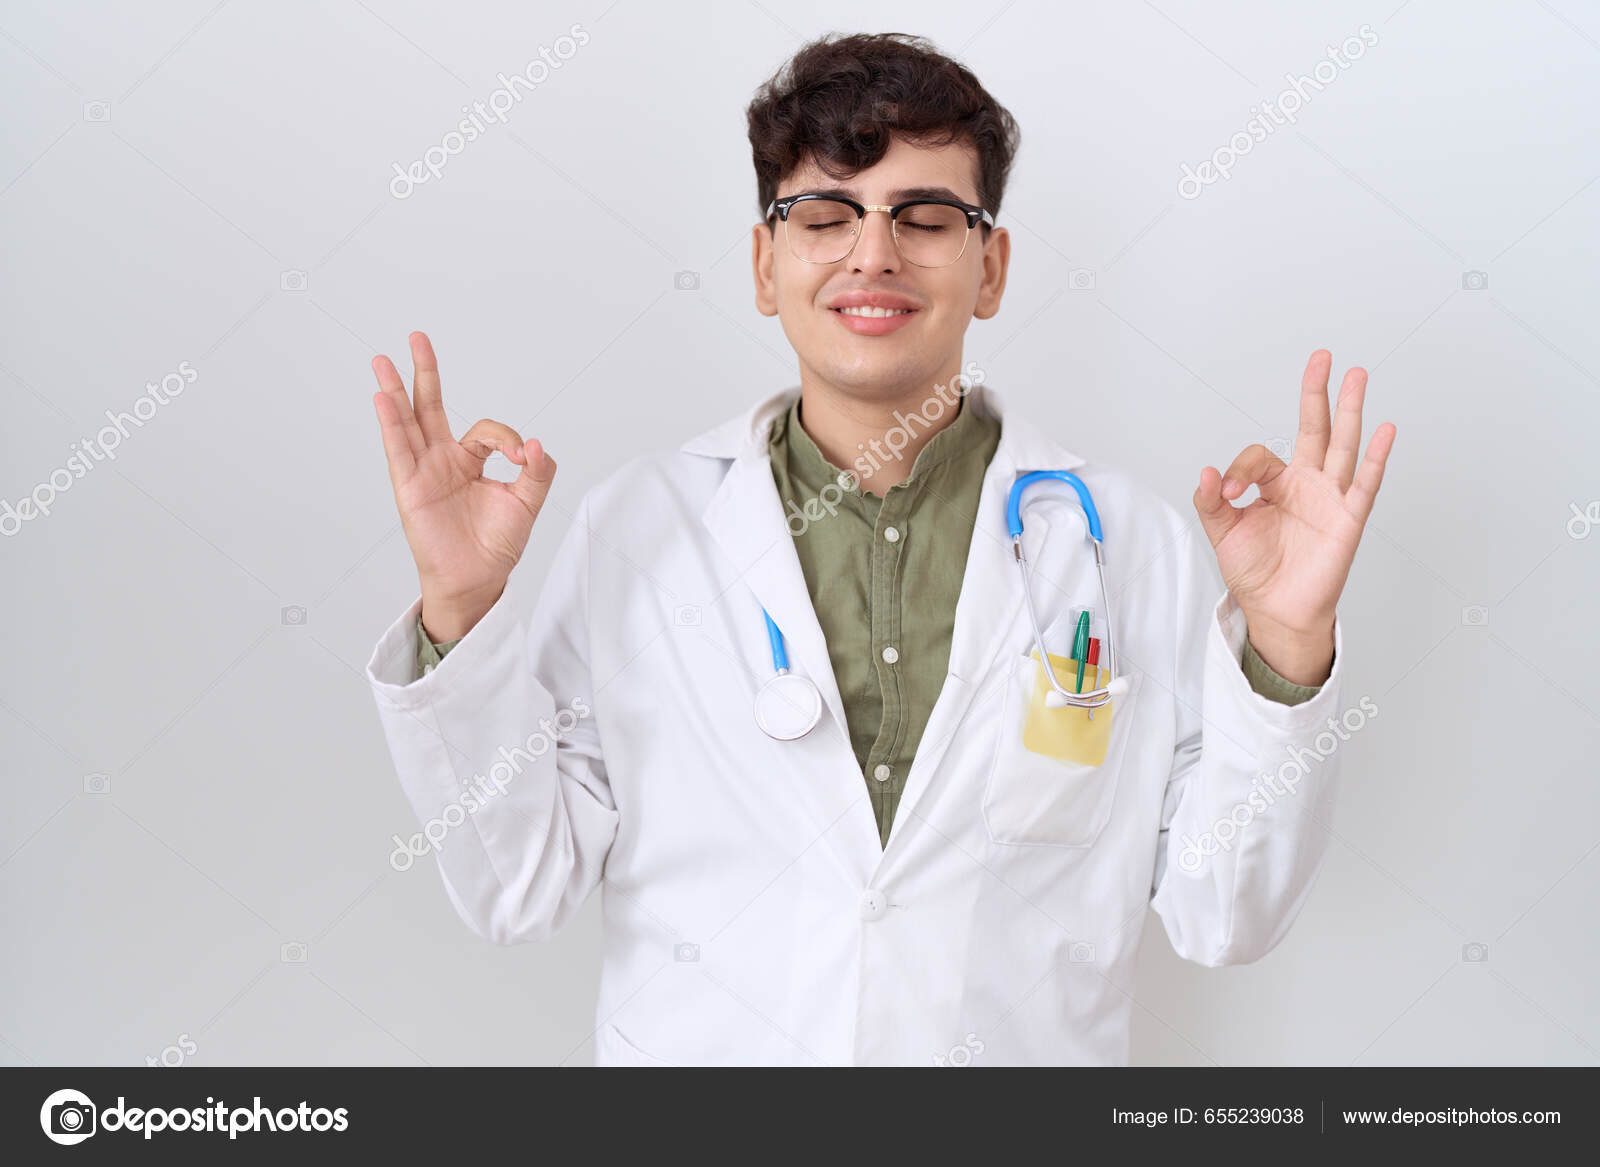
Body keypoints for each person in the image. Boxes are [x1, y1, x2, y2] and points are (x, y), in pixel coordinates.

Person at [364, 32, 1395, 1065]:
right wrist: (459, 609)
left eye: (926, 217)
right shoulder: (639, 530)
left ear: (989, 266)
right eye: (824, 215)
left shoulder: (1125, 546)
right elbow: (518, 884)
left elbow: (1230, 909)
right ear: (766, 265)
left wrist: (1285, 644)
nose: (873, 255)